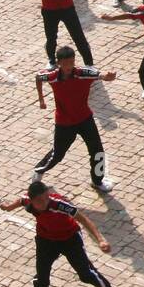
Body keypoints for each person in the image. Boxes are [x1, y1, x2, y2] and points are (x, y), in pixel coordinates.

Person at [0, 181, 129, 287]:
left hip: (70, 239)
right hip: (46, 240)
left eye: (46, 198)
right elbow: (21, 201)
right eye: (39, 201)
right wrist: (8, 207)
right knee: (41, 274)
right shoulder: (27, 201)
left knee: (86, 274)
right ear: (32, 200)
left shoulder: (59, 205)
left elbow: (83, 219)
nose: (44, 203)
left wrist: (100, 240)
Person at [33, 47, 116, 192]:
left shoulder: (82, 73)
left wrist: (107, 76)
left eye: (71, 62)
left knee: (98, 151)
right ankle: (39, 170)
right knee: (57, 154)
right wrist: (41, 99)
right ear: (59, 63)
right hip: (64, 123)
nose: (69, 67)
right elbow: (38, 77)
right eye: (65, 64)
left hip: (85, 119)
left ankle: (97, 181)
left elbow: (98, 74)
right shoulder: (52, 76)